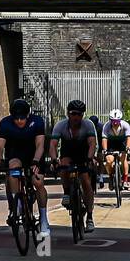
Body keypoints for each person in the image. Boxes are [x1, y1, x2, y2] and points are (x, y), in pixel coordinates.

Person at [0, 98, 50, 241]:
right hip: (15, 153)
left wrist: (36, 161)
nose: (19, 121)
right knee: (12, 169)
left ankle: (43, 218)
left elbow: (40, 144)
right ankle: (17, 205)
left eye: (22, 118)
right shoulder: (5, 123)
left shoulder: (37, 122)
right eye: (16, 118)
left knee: (38, 183)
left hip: (34, 154)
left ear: (27, 116)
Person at [50, 99, 98, 233]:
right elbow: (53, 145)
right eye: (73, 114)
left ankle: (89, 216)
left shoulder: (88, 125)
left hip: (83, 153)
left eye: (79, 114)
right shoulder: (61, 125)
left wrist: (89, 158)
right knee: (63, 166)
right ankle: (66, 192)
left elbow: (92, 144)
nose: (76, 117)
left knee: (86, 182)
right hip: (68, 152)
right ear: (68, 114)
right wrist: (54, 160)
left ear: (83, 115)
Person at [100, 109, 130, 189]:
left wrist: (128, 148)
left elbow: (128, 138)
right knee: (109, 160)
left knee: (123, 158)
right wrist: (105, 150)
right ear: (110, 120)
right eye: (113, 121)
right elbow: (104, 139)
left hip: (122, 143)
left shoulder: (125, 125)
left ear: (120, 120)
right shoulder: (106, 126)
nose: (115, 123)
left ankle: (125, 180)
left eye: (117, 121)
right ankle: (111, 176)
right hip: (111, 144)